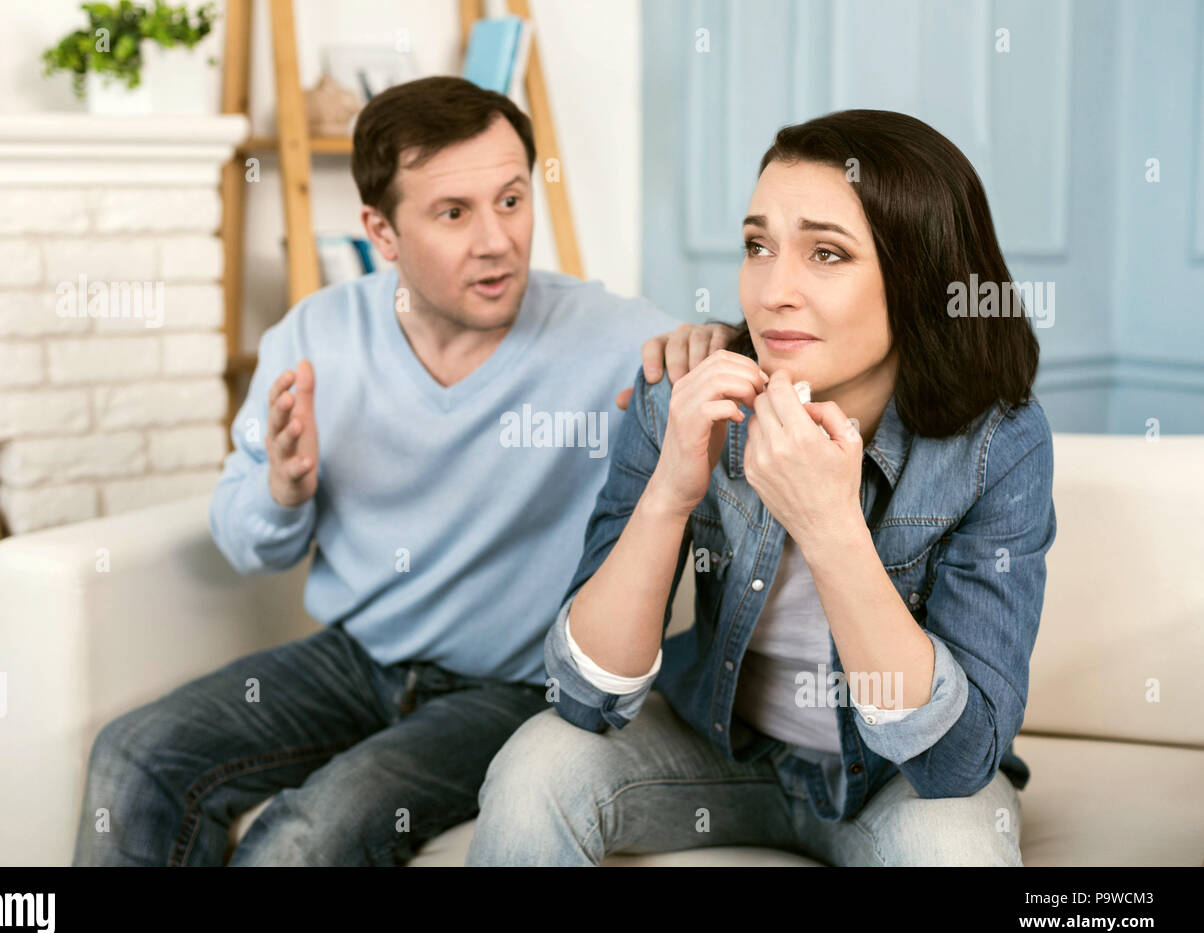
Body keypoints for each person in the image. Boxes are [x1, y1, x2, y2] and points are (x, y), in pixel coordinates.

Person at [71, 76, 737, 866]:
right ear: (381, 233)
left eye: (512, 200)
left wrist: (719, 342)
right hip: (356, 660)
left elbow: (738, 362)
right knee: (135, 752)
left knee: (314, 831)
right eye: (454, 213)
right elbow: (248, 546)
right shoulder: (317, 335)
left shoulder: (616, 339)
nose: (498, 239)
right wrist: (282, 492)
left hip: (516, 691)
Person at [467, 109, 1057, 866]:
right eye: (758, 246)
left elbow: (953, 763)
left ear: (921, 278)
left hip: (897, 778)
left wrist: (830, 527)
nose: (773, 291)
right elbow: (585, 701)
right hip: (720, 751)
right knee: (533, 770)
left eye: (826, 254)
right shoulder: (687, 392)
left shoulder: (999, 442)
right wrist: (671, 492)